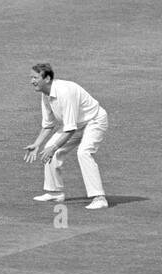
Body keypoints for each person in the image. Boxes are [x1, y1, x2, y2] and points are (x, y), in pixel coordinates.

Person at [23, 63, 110, 210]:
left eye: (35, 77)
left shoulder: (65, 92)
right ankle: (55, 192)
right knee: (50, 149)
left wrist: (54, 147)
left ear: (47, 78)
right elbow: (48, 124)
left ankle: (99, 198)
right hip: (77, 124)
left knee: (84, 152)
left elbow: (70, 129)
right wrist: (37, 144)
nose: (32, 81)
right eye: (31, 77)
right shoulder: (45, 95)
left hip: (94, 121)